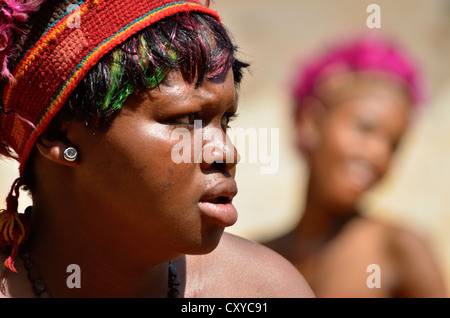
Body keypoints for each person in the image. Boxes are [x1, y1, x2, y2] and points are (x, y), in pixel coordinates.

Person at [0, 0, 314, 298]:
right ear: (62, 139)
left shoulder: (262, 289)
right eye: (184, 120)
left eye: (226, 120)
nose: (226, 153)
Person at [264, 35, 447, 298]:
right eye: (365, 128)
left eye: (393, 145)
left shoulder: (398, 250)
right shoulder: (261, 256)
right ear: (311, 122)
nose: (378, 154)